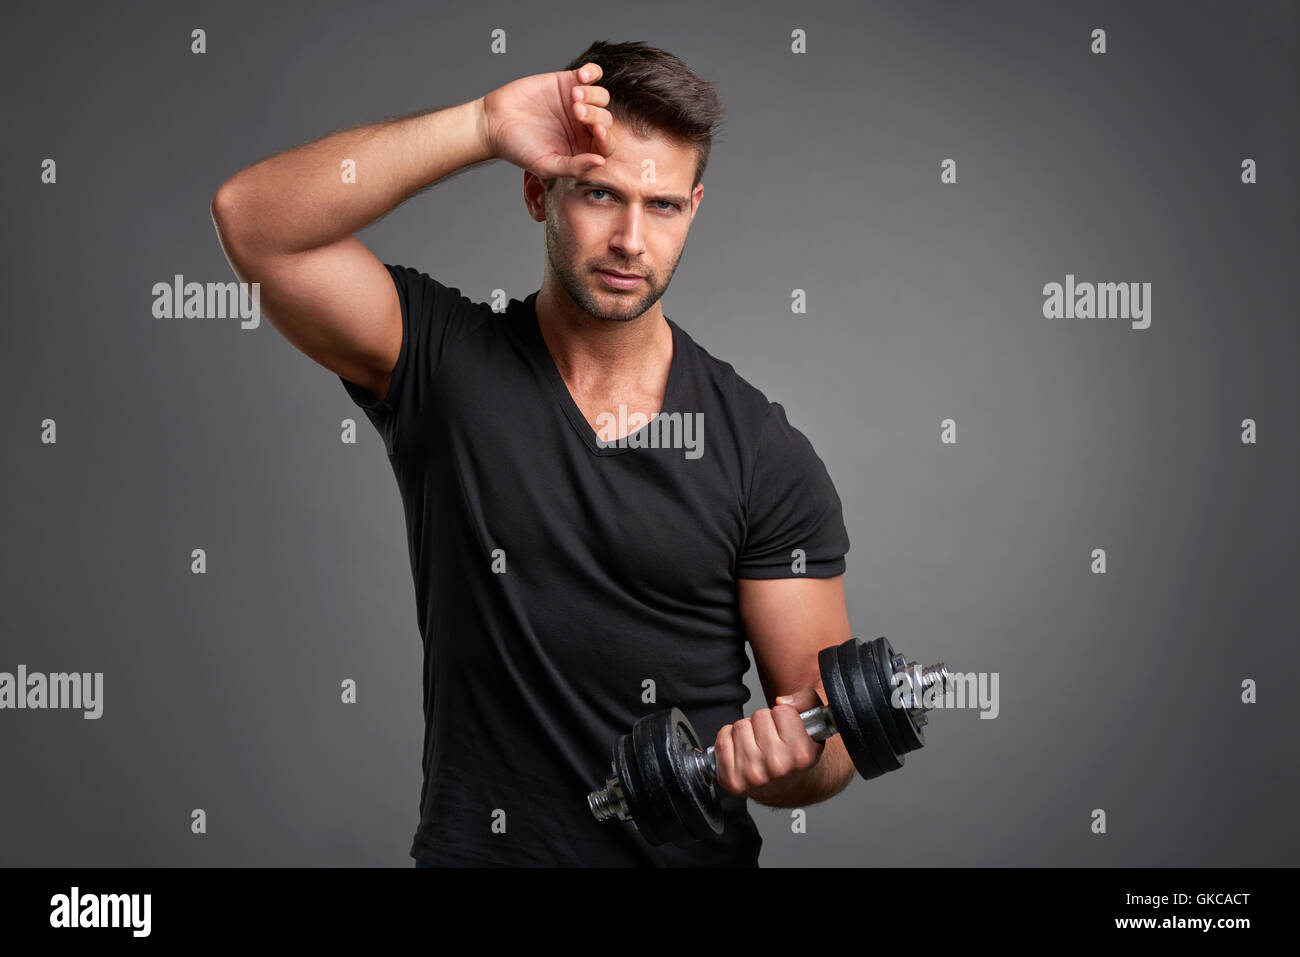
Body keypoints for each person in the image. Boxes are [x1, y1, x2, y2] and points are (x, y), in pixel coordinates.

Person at [211, 39, 855, 867]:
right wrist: (480, 124)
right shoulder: (442, 364)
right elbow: (254, 224)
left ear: (693, 208)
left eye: (661, 206)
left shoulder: (762, 452)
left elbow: (830, 737)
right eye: (599, 193)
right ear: (536, 190)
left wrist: (791, 762)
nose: (630, 239)